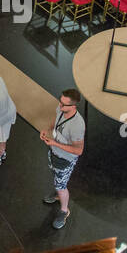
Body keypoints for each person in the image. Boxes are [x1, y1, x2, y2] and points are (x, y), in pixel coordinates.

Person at [40, 88, 85, 230]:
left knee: (61, 186)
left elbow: (79, 150)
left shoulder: (77, 125)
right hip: (54, 153)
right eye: (60, 102)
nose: (60, 106)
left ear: (73, 106)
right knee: (57, 179)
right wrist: (47, 129)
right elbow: (56, 121)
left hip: (64, 160)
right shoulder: (61, 109)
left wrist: (55, 143)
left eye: (64, 104)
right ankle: (59, 194)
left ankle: (64, 210)